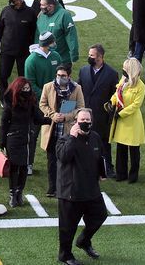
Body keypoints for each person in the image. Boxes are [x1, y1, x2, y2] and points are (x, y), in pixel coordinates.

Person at [56, 108, 108, 265]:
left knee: (100, 215)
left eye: (87, 120)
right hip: (70, 192)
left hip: (91, 188)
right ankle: (65, 255)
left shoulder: (95, 137)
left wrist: (102, 172)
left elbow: (100, 156)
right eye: (82, 120)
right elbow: (64, 156)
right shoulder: (64, 140)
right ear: (75, 122)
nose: (85, 123)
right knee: (68, 227)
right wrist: (72, 137)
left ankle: (84, 240)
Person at [0, 77, 51, 207]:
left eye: (28, 89)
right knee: (14, 167)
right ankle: (12, 194)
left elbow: (38, 118)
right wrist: (2, 142)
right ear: (18, 89)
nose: (26, 91)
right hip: (13, 140)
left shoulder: (31, 102)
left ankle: (19, 193)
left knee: (23, 168)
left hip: (26, 139)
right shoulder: (10, 103)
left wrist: (52, 119)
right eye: (24, 89)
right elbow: (4, 124)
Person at [40, 65, 85, 197]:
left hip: (67, 129)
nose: (60, 78)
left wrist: (67, 116)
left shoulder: (77, 88)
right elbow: (42, 104)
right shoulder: (48, 87)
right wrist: (53, 115)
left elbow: (81, 107)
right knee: (52, 161)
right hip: (52, 130)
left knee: (67, 160)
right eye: (58, 75)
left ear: (69, 76)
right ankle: (52, 187)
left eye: (63, 76)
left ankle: (67, 186)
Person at [24, 32, 64, 174]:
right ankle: (28, 164)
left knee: (57, 134)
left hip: (56, 103)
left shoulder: (56, 57)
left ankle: (59, 162)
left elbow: (61, 77)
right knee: (33, 134)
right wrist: (47, 96)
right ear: (49, 43)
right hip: (37, 104)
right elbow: (31, 84)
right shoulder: (31, 60)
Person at [78, 44, 118, 178]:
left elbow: (114, 97)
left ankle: (107, 168)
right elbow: (78, 91)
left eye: (92, 55)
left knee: (104, 144)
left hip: (102, 116)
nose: (89, 57)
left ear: (100, 57)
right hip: (85, 114)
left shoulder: (112, 74)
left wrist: (110, 114)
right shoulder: (83, 71)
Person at [110, 57, 145, 183]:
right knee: (121, 148)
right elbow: (117, 93)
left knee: (134, 150)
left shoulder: (141, 86)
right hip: (122, 120)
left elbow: (136, 105)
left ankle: (133, 175)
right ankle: (121, 173)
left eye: (125, 69)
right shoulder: (123, 80)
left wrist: (121, 114)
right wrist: (112, 102)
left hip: (132, 121)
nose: (123, 71)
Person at [0, 0, 35, 92]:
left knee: (23, 76)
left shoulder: (30, 12)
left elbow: (34, 32)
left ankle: (23, 95)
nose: (10, 1)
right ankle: (4, 98)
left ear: (19, 0)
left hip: (24, 51)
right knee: (3, 75)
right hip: (7, 50)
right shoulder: (6, 10)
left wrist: (33, 47)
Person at [36, 0, 79, 69]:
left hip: (61, 60)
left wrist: (74, 56)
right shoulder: (41, 16)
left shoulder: (64, 15)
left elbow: (71, 36)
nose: (40, 7)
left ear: (51, 6)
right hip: (45, 59)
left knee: (61, 80)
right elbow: (38, 35)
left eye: (43, 5)